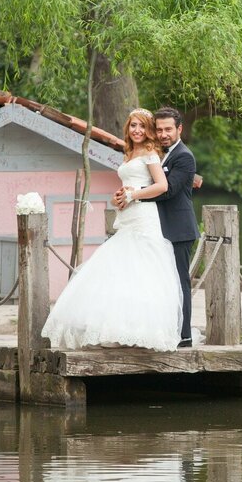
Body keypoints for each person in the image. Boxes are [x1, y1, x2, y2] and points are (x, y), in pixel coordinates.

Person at [41, 109, 183, 350]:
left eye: (141, 126)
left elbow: (161, 185)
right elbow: (129, 185)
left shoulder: (150, 153)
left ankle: (144, 332)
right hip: (127, 215)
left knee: (142, 270)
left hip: (144, 217)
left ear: (148, 130)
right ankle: (119, 330)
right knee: (122, 269)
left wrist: (133, 194)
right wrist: (119, 197)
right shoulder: (129, 153)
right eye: (132, 125)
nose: (136, 130)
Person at [115, 106, 199, 348]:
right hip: (156, 225)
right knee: (158, 280)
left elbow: (169, 189)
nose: (163, 134)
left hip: (179, 228)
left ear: (179, 129)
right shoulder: (160, 153)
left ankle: (184, 336)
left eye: (168, 129)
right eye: (159, 129)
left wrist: (134, 195)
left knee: (179, 282)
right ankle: (159, 328)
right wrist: (127, 194)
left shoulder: (183, 155)